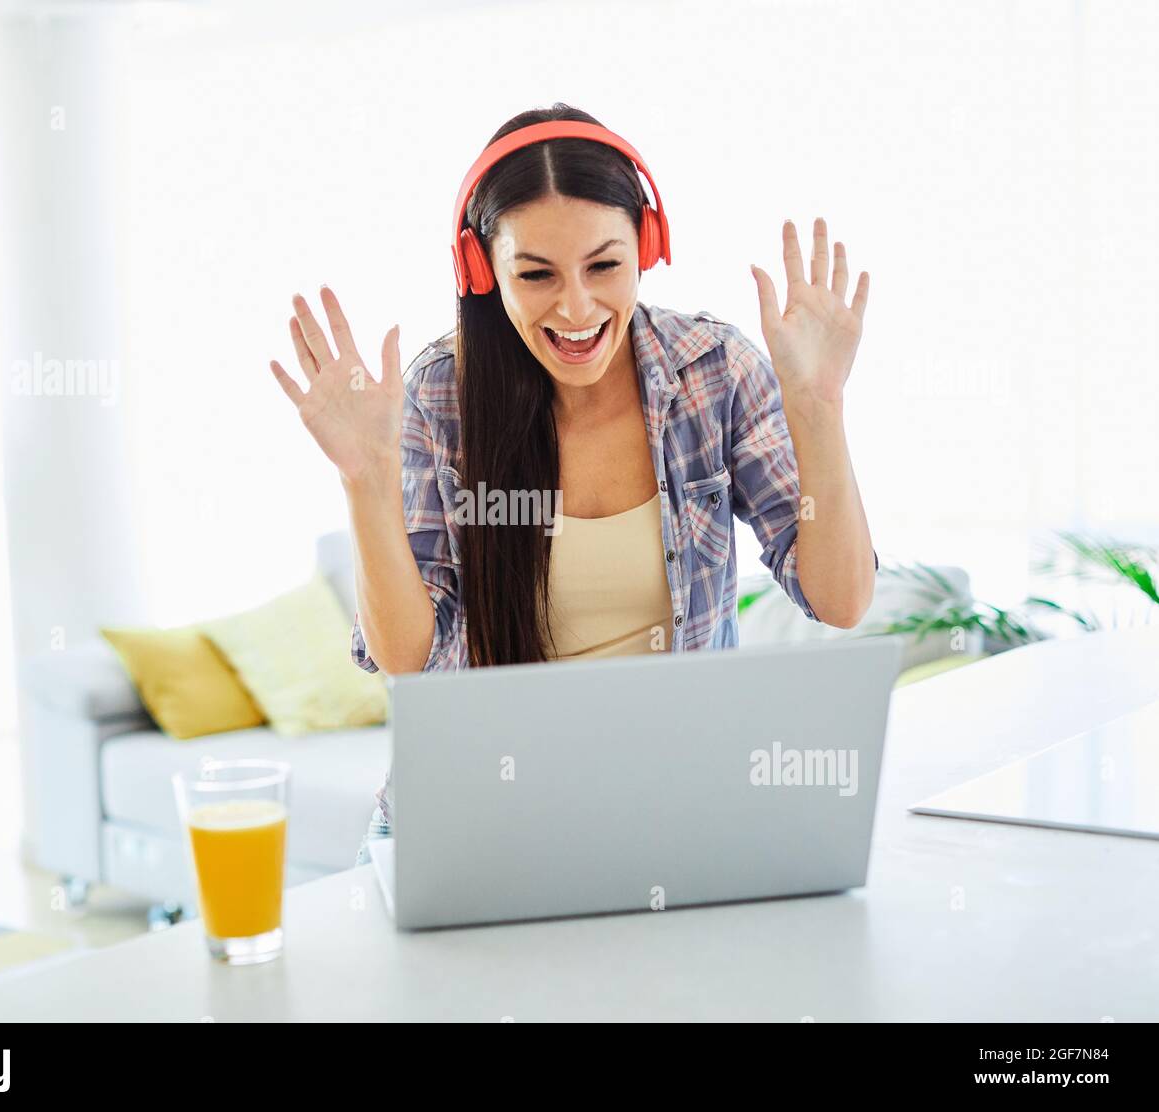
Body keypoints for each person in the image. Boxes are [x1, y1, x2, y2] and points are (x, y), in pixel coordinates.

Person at [268, 103, 878, 866]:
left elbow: (841, 600)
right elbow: (405, 656)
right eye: (537, 274)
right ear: (482, 269)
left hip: (673, 811)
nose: (578, 307)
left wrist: (818, 407)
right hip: (481, 817)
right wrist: (364, 478)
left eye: (604, 266)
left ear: (646, 248)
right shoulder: (437, 396)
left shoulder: (714, 371)